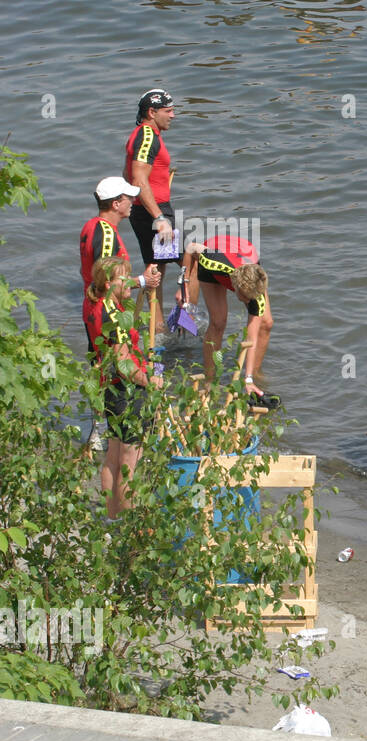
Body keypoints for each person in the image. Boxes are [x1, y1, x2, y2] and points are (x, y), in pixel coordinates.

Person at [83, 257, 163, 519]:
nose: (130, 282)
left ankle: (112, 519)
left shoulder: (99, 305)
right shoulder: (113, 315)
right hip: (128, 392)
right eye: (123, 278)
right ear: (108, 283)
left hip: (110, 391)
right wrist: (149, 381)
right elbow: (123, 364)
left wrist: (144, 280)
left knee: (113, 458)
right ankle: (130, 529)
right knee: (130, 465)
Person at [177, 236, 275, 402]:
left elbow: (251, 337)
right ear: (235, 287)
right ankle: (209, 380)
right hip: (217, 261)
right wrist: (184, 285)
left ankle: (254, 377)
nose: (246, 302)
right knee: (218, 323)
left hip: (244, 257)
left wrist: (248, 377)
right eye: (245, 297)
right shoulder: (212, 261)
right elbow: (191, 248)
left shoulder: (255, 292)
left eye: (250, 299)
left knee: (266, 323)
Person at [124, 88, 179, 284]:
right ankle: (188, 309)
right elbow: (138, 179)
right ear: (152, 112)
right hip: (153, 211)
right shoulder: (148, 136)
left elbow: (127, 173)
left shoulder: (141, 134)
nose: (173, 115)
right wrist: (160, 218)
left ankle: (157, 316)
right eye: (168, 110)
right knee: (192, 259)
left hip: (143, 209)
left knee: (156, 268)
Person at [79, 177, 160, 292]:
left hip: (92, 304)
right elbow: (105, 284)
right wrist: (143, 281)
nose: (133, 200)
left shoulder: (90, 225)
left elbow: (84, 271)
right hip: (104, 307)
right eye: (129, 197)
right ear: (116, 204)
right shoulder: (107, 235)